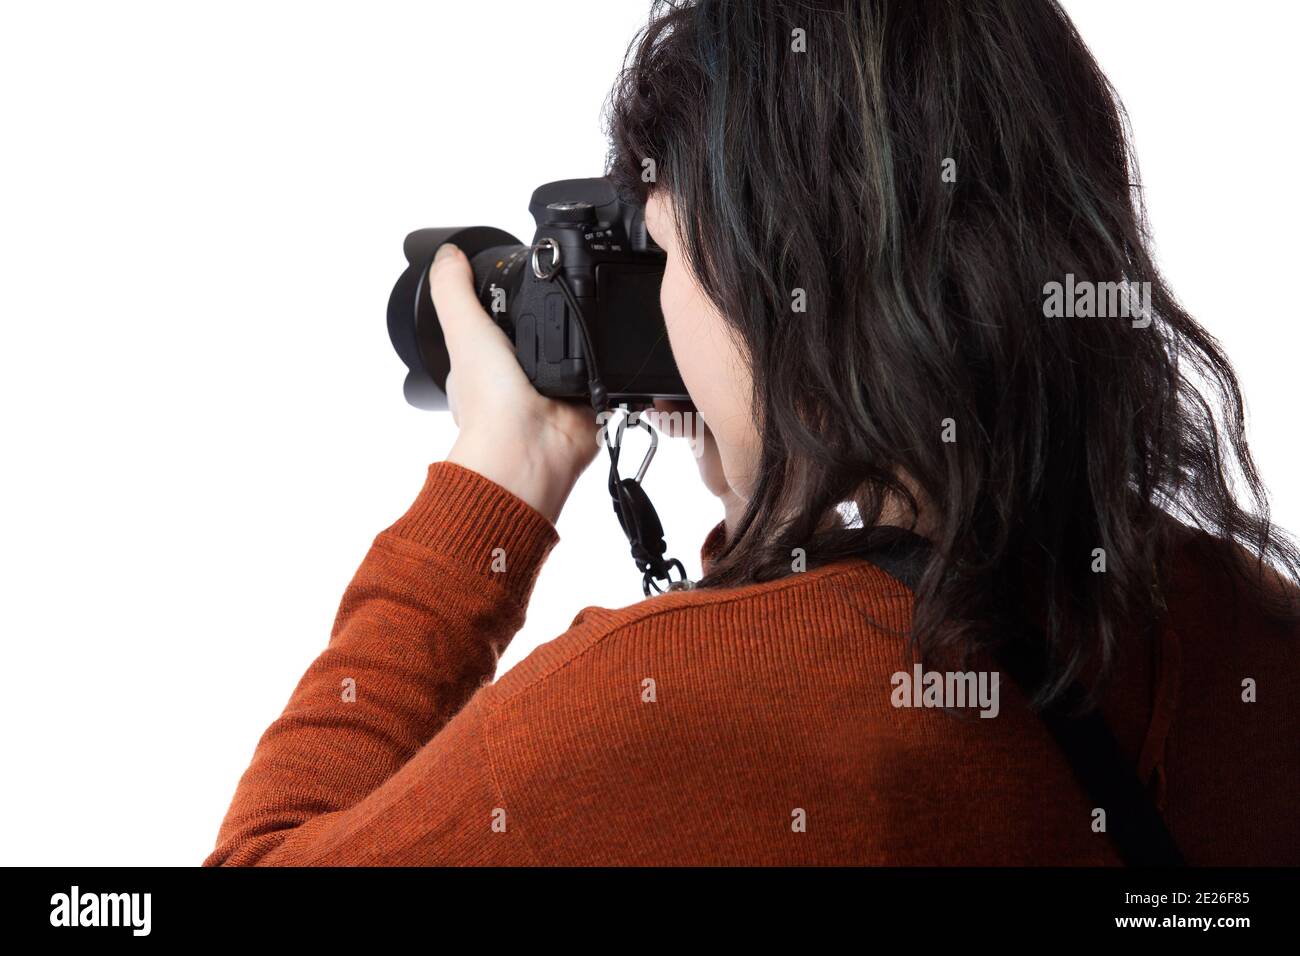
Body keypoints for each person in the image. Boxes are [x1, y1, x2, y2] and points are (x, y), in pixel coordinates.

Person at [205, 0, 1300, 866]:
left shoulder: (652, 711)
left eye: (669, 252)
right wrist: (782, 498)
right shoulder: (1252, 631)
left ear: (780, 288)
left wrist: (498, 478)